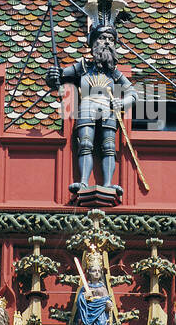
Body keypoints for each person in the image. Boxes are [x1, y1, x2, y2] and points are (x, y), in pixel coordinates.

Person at [46, 12, 135, 192]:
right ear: (94, 43)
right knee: (85, 143)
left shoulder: (115, 73)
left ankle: (108, 184)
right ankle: (84, 182)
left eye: (111, 39)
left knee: (109, 147)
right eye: (102, 38)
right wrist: (52, 75)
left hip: (108, 109)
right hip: (87, 106)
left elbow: (133, 93)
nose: (107, 42)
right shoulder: (83, 67)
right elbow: (59, 77)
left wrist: (122, 103)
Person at [75, 252, 113, 325]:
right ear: (89, 272)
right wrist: (84, 296)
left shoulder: (103, 287)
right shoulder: (85, 288)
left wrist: (108, 303)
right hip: (89, 314)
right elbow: (79, 301)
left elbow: (107, 300)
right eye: (94, 271)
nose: (96, 273)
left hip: (101, 314)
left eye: (98, 271)